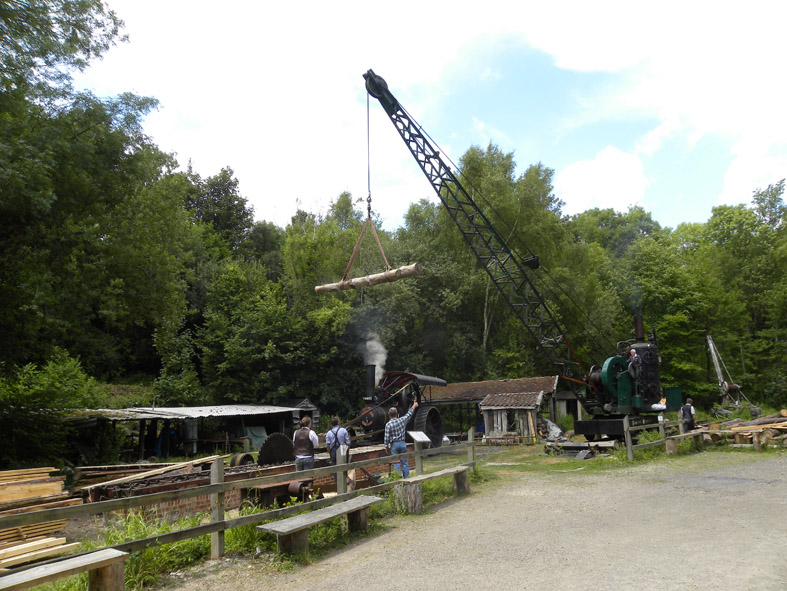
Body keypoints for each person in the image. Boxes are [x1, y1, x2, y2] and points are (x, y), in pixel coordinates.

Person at [384, 400, 418, 478]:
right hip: (402, 443)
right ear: (397, 414)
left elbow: (386, 437)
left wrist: (386, 446)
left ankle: (398, 479)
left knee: (396, 462)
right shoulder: (402, 420)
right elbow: (409, 414)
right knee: (405, 462)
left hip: (394, 444)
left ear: (389, 415)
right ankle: (407, 478)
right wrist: (414, 405)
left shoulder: (388, 425)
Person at [325, 416, 351, 481]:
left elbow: (327, 445)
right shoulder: (343, 430)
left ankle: (337, 481)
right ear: (338, 422)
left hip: (333, 450)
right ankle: (344, 480)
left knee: (335, 467)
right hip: (342, 449)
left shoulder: (329, 433)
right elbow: (348, 442)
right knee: (344, 465)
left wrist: (330, 453)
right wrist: (347, 451)